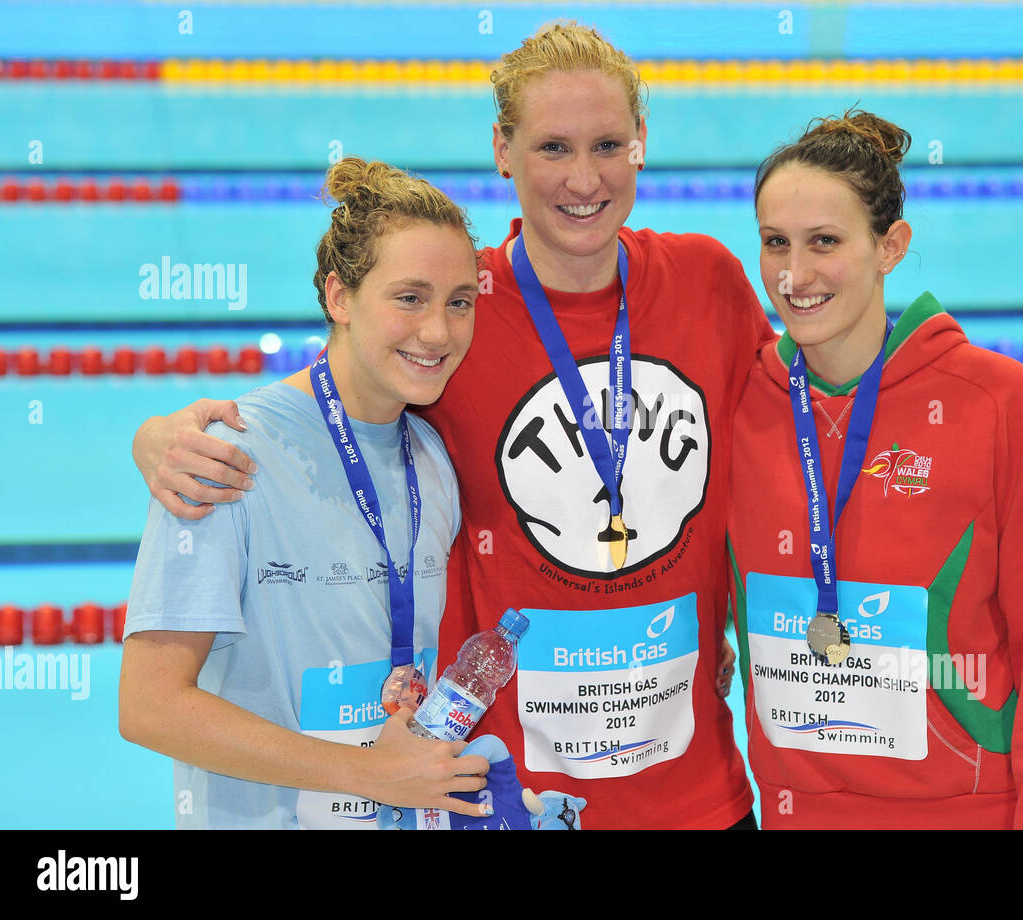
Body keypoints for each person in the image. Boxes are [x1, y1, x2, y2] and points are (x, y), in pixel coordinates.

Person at [129, 23, 772, 830]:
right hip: (507, 799)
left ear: (643, 143)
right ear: (502, 149)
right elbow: (339, 398)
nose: (583, 178)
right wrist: (161, 434)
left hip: (696, 797)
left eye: (609, 144)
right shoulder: (462, 312)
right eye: (551, 147)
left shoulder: (709, 284)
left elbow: (792, 438)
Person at [728, 110, 1023, 829]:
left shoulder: (996, 403)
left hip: (968, 812)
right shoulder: (740, 404)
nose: (793, 275)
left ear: (890, 246)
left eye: (825, 243)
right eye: (775, 243)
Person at [119, 157, 496, 829]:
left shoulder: (433, 459)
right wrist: (366, 774)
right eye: (409, 298)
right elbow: (150, 706)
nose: (438, 331)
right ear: (339, 297)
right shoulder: (227, 454)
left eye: (458, 301)